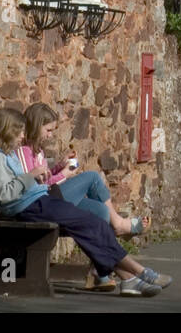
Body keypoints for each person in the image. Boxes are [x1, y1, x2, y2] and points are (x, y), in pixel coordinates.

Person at [0, 107, 171, 296]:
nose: (23, 136)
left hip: (38, 200)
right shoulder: (0, 156)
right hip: (31, 206)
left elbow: (18, 186)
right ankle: (139, 271)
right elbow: (4, 195)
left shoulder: (7, 153)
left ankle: (129, 277)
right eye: (20, 132)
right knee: (91, 222)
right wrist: (32, 176)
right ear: (7, 130)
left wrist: (40, 174)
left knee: (93, 223)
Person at [21, 102, 147, 237]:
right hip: (43, 203)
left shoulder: (38, 150)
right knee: (92, 178)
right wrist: (64, 175)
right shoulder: (24, 151)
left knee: (101, 212)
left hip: (51, 196)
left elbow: (45, 177)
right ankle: (119, 225)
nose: (50, 135)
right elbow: (34, 187)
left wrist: (60, 166)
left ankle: (103, 252)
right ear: (35, 126)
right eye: (48, 130)